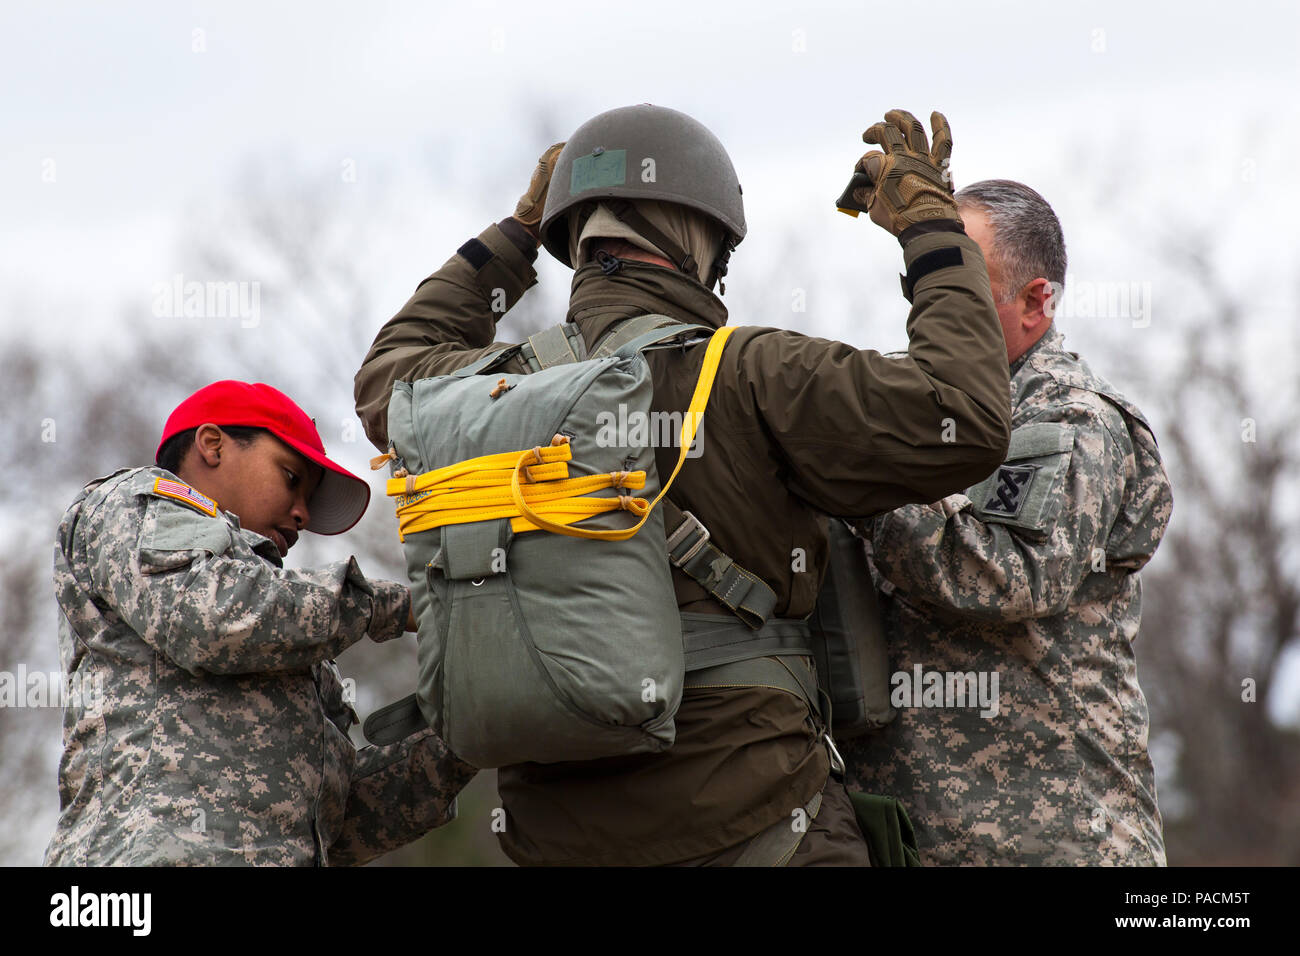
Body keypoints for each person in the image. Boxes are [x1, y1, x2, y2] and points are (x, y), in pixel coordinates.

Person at [354, 105, 1011, 866]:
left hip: (554, 838)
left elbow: (387, 374)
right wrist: (931, 229)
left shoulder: (481, 389)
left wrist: (515, 235)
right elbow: (961, 411)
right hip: (760, 823)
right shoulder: (752, 372)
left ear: (577, 243)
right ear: (705, 246)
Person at [843, 180, 1173, 865]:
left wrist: (862, 477)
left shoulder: (1070, 417)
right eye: (931, 278)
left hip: (1052, 840)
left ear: (1035, 301)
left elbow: (1009, 574)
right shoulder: (908, 398)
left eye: (964, 280)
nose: (937, 300)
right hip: (911, 834)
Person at [45, 380, 477, 866]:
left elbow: (337, 823)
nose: (302, 513)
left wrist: (474, 725)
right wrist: (397, 605)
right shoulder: (132, 502)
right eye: (292, 478)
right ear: (213, 445)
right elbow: (210, 619)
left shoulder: (288, 637)